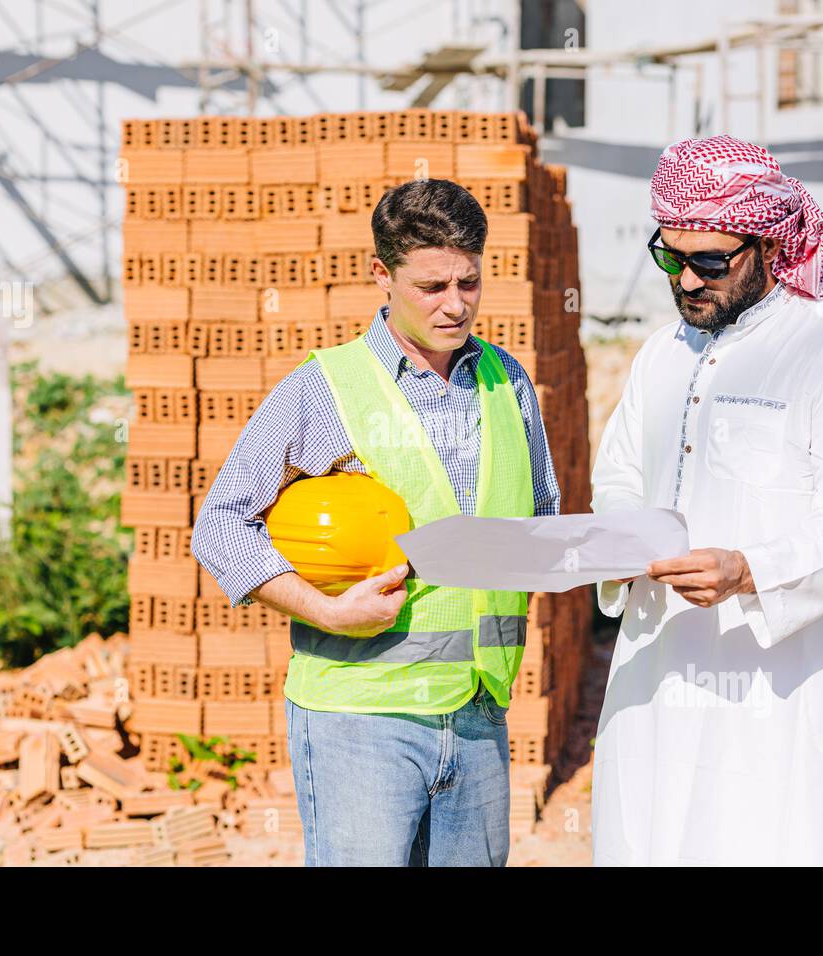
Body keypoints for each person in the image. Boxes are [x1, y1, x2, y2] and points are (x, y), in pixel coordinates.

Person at [192, 178, 560, 866]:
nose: (456, 304)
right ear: (381, 276)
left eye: (469, 282)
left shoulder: (508, 381)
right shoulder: (325, 386)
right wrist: (325, 612)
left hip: (479, 711)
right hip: (360, 717)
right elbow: (219, 526)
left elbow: (540, 519)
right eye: (432, 286)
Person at [590, 135, 823, 866]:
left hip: (779, 681)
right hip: (656, 664)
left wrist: (746, 569)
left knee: (769, 836)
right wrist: (616, 543)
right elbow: (619, 477)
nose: (687, 280)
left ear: (769, 243)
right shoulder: (661, 356)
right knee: (651, 832)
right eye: (670, 257)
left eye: (709, 261)